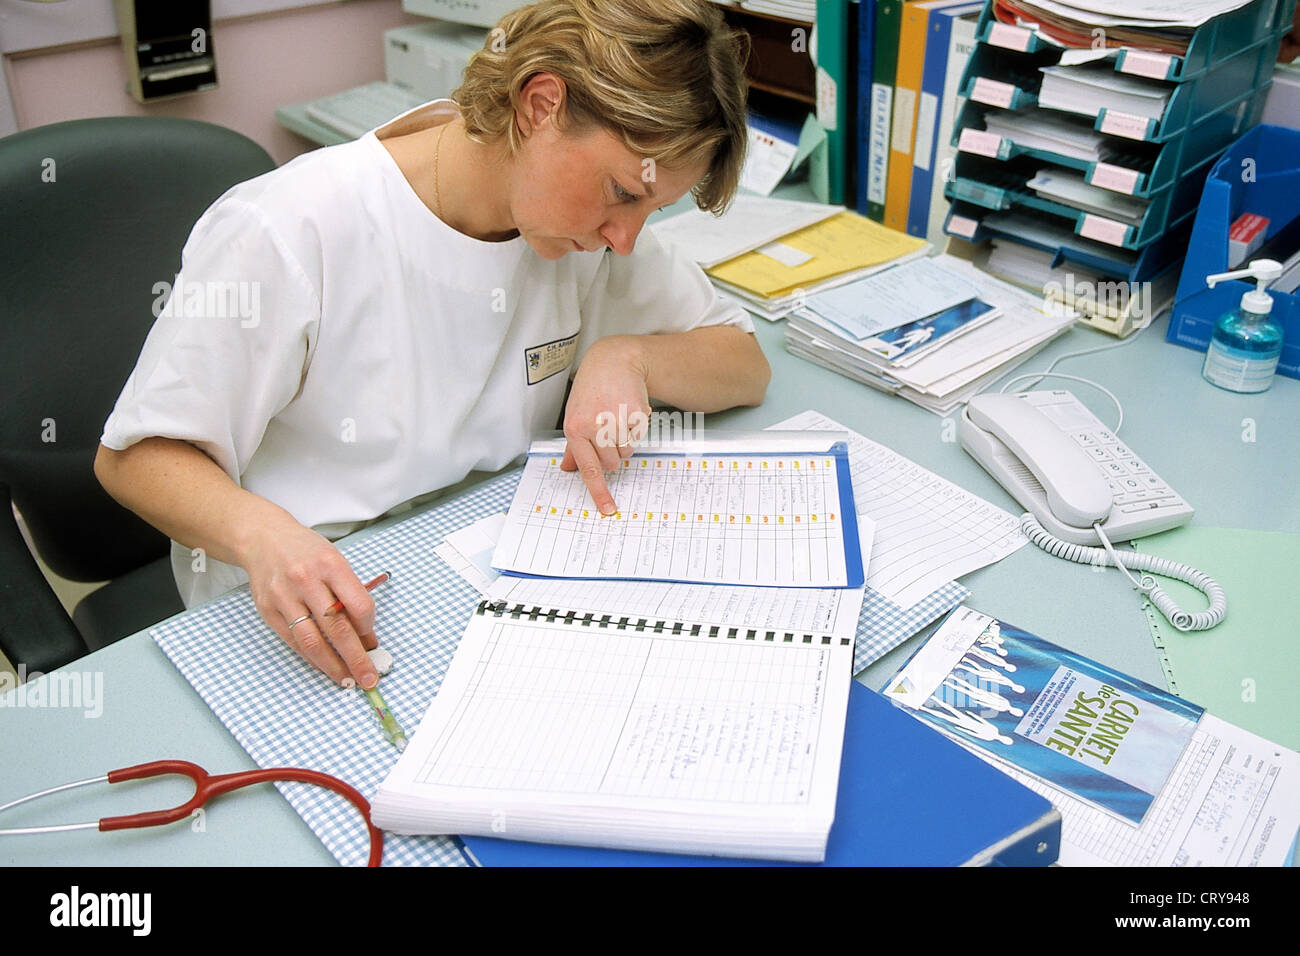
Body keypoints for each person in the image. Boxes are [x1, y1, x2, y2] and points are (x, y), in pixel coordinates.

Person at [94, 0, 770, 692]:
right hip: (307, 601)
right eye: (623, 193)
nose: (625, 239)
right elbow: (135, 458)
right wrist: (262, 537)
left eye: (650, 210)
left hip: (475, 564)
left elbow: (745, 363)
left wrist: (625, 357)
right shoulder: (290, 231)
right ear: (540, 105)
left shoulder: (577, 231)